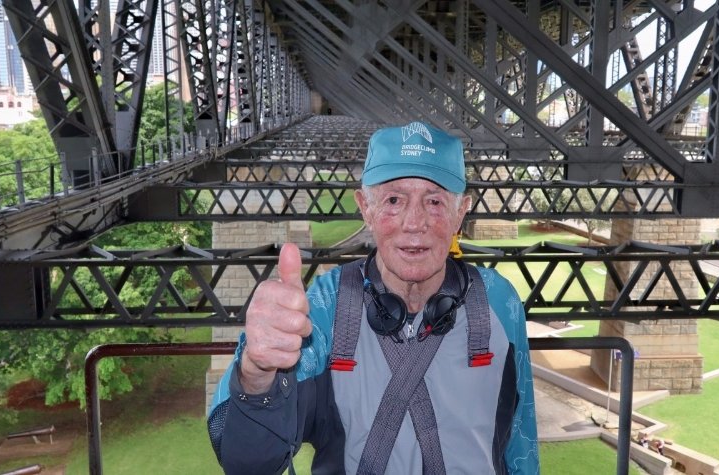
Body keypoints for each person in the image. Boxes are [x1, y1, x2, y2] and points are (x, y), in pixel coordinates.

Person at [207, 121, 540, 474]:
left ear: (461, 212)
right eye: (394, 200)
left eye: (435, 201)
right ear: (366, 207)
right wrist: (257, 377)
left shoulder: (498, 303)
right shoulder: (325, 308)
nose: (414, 223)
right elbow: (248, 462)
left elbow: (521, 443)